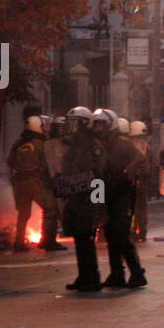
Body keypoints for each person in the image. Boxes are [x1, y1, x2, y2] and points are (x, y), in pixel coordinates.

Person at [58, 106, 107, 292]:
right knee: (80, 238)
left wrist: (98, 203)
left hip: (88, 196)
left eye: (74, 121)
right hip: (75, 195)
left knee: (86, 237)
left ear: (82, 122)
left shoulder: (93, 145)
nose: (70, 126)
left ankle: (92, 278)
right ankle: (84, 276)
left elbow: (99, 173)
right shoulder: (71, 144)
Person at [97, 109, 147, 288]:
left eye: (101, 123)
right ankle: (116, 273)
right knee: (109, 233)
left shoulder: (121, 143)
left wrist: (126, 171)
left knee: (121, 234)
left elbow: (140, 157)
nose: (98, 127)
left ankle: (137, 273)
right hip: (104, 189)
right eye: (96, 123)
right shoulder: (100, 144)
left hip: (121, 192)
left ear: (110, 125)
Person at [7, 114, 63, 253]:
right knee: (50, 209)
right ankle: (48, 241)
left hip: (19, 183)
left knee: (23, 213)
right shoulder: (41, 144)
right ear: (38, 126)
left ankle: (19, 243)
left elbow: (10, 162)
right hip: (36, 182)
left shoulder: (18, 144)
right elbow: (47, 164)